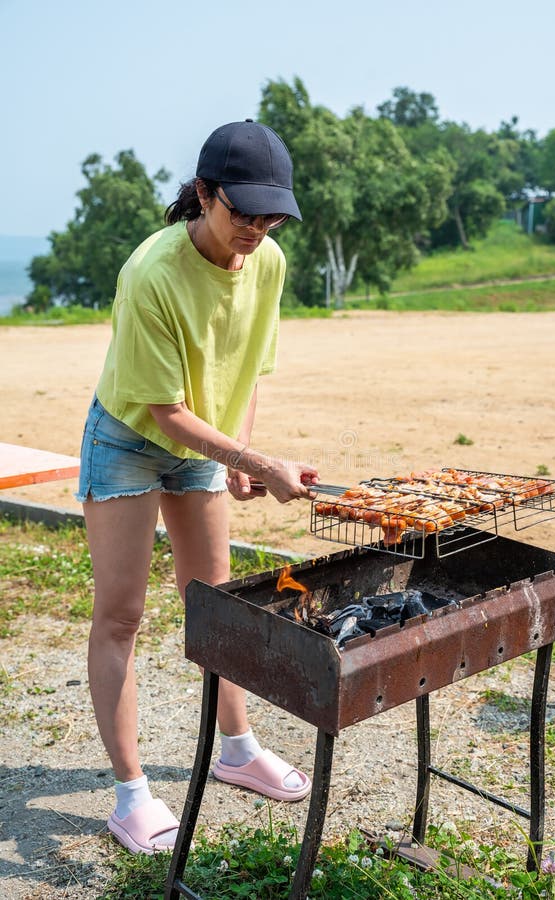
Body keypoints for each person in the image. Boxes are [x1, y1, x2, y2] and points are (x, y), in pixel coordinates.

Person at [76, 120, 319, 855]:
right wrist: (251, 459)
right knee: (121, 615)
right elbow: (162, 411)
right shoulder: (151, 272)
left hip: (202, 441)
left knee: (215, 607)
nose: (255, 229)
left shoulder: (266, 261)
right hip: (129, 439)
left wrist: (242, 459)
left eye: (269, 215)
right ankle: (130, 796)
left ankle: (237, 751)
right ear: (204, 195)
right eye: (242, 211)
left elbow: (246, 368)